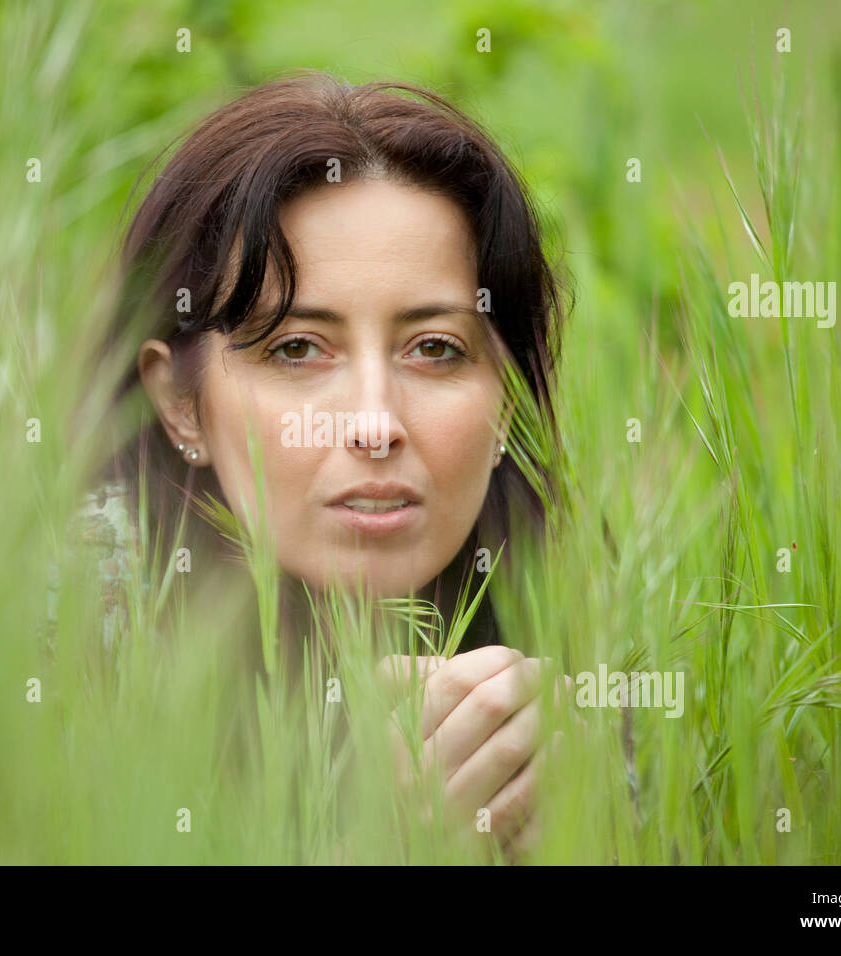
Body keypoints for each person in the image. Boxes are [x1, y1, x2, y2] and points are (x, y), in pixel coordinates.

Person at [61, 69, 572, 860]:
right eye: (296, 349)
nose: (376, 425)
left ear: (505, 402)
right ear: (179, 403)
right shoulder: (45, 646)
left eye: (435, 349)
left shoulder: (566, 688)